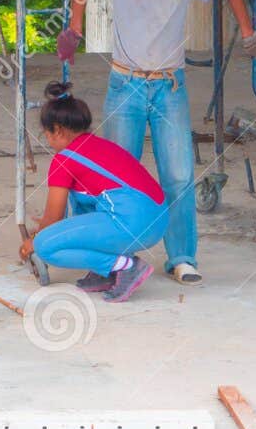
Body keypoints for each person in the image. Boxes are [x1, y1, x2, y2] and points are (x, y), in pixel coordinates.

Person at [58, 0, 256, 286]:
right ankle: (116, 259)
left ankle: (182, 257)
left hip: (170, 87)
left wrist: (248, 31)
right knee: (114, 177)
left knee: (179, 175)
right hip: (126, 85)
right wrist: (75, 28)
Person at [19, 81, 169, 303]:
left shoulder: (64, 160)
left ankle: (125, 266)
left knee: (46, 246)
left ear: (57, 130)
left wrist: (34, 240)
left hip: (130, 223)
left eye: (47, 134)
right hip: (157, 221)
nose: (49, 141)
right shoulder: (100, 145)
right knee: (81, 211)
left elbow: (53, 217)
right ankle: (105, 272)